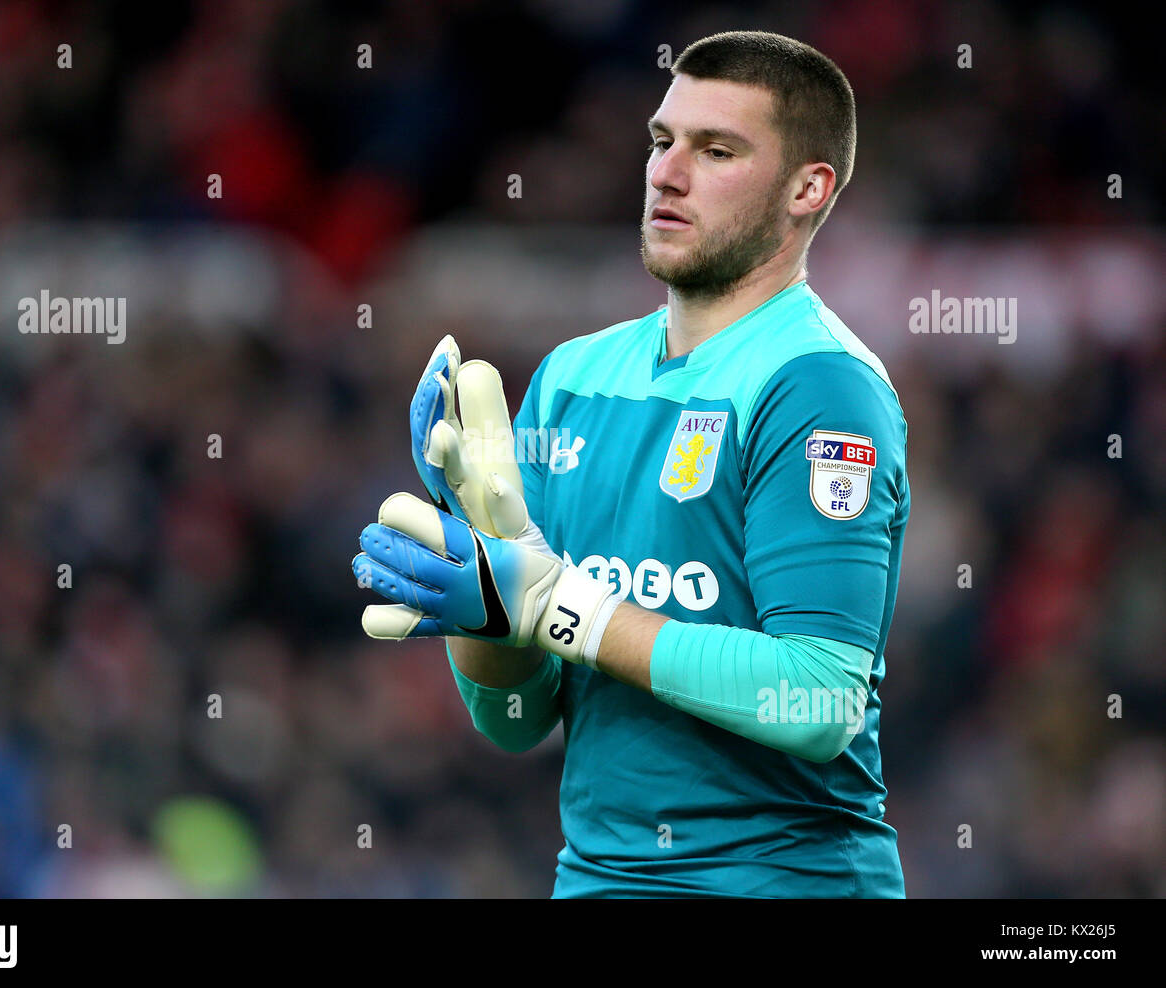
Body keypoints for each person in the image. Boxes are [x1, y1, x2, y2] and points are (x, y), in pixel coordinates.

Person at [354, 30, 909, 898]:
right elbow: (517, 723)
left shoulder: (819, 389)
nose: (667, 173)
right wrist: (492, 610)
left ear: (809, 187)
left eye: (716, 150)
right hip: (597, 880)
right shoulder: (575, 379)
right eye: (662, 141)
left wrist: (558, 604)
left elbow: (819, 701)